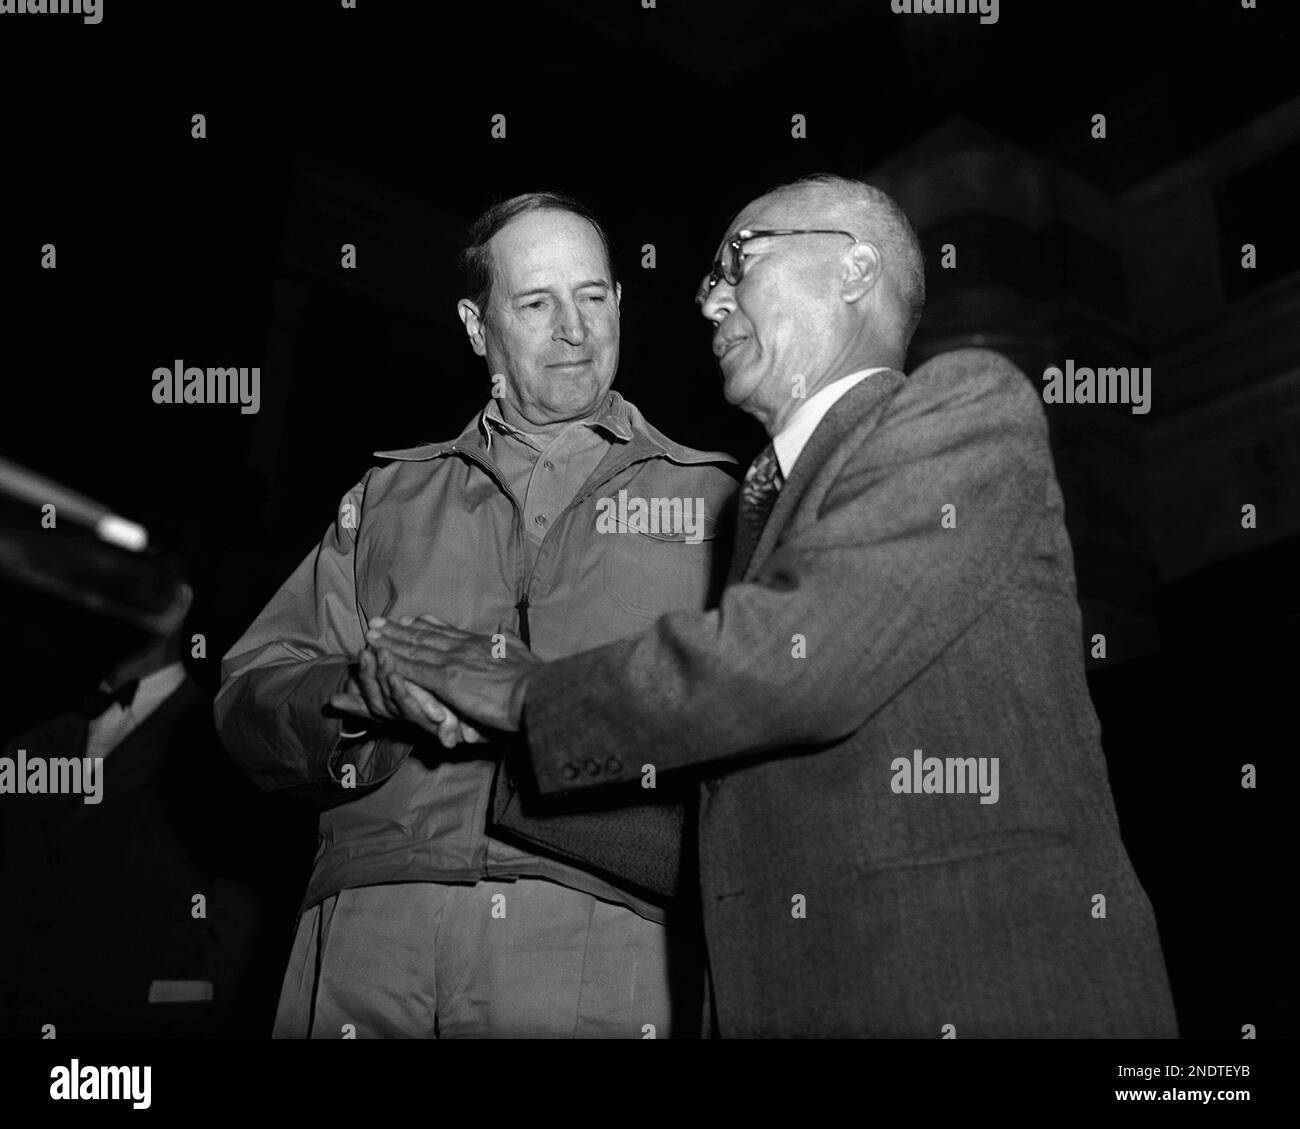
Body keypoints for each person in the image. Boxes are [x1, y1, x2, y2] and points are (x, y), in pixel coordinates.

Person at [367, 174, 1180, 1038]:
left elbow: (797, 661)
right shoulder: (758, 508)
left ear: (855, 268)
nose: (707, 297)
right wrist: (479, 763)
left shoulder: (965, 406)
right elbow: (737, 836)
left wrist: (524, 694)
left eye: (737, 261)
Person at [213, 192, 738, 1038]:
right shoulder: (385, 498)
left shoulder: (720, 504)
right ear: (474, 324)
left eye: (594, 296)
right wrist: (358, 694)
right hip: (371, 926)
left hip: (602, 932)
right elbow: (247, 698)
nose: (575, 327)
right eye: (536, 302)